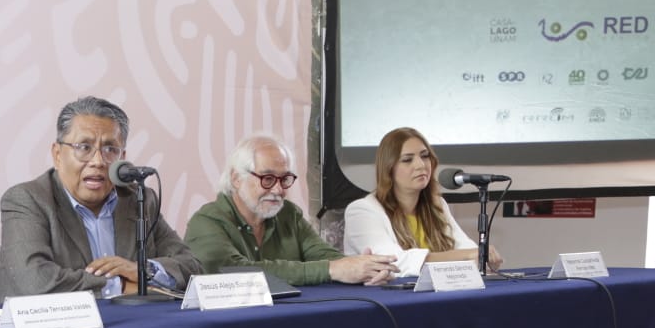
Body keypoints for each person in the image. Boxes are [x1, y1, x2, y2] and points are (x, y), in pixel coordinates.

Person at [0, 95, 201, 299]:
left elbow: (192, 267)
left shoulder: (140, 200)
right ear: (57, 154)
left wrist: (141, 270)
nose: (98, 161)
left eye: (110, 149)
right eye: (84, 147)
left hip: (132, 327)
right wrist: (119, 287)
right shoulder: (27, 200)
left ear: (122, 158)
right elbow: (34, 282)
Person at [185, 134, 397, 285]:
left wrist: (365, 267)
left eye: (285, 179)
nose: (278, 190)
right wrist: (333, 269)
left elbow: (322, 255)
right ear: (236, 178)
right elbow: (233, 273)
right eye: (267, 178)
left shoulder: (288, 213)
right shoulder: (205, 222)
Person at [343, 127, 502, 276]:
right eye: (407, 160)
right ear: (388, 169)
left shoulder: (437, 204)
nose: (421, 165)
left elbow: (466, 248)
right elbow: (393, 262)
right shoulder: (361, 211)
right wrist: (466, 255)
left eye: (425, 156)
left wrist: (483, 258)